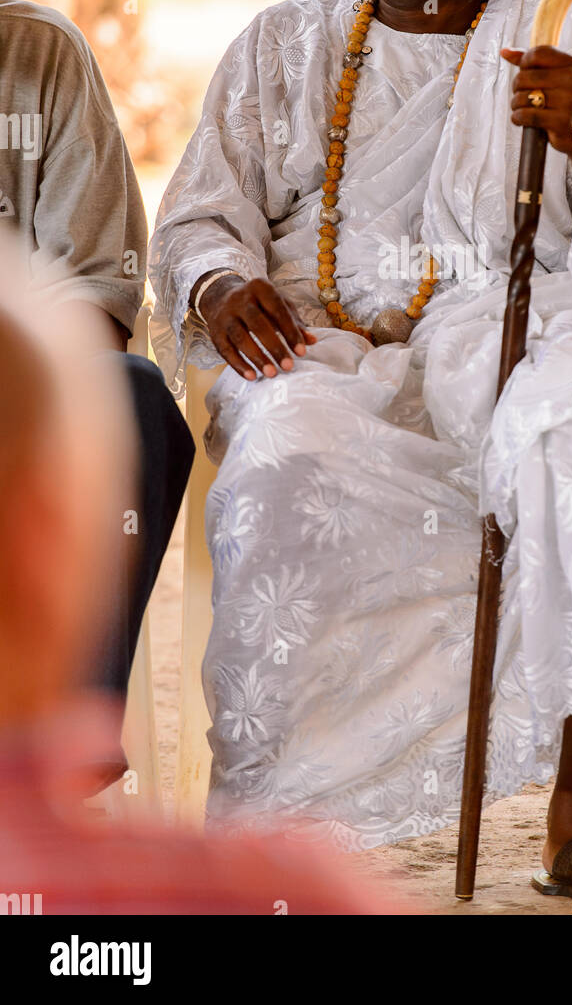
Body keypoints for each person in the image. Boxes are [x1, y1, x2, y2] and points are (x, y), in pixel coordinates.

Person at [149, 0, 572, 912]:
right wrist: (215, 287)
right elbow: (201, 212)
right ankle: (276, 826)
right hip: (323, 346)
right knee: (284, 467)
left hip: (539, 317)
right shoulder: (285, 48)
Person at [0, 234, 401, 915]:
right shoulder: (276, 892)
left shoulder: (54, 120)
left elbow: (97, 293)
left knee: (130, 387)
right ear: (71, 539)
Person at [0, 0, 193, 786]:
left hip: (17, 388)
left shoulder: (39, 53)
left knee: (128, 393)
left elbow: (93, 282)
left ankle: (57, 756)